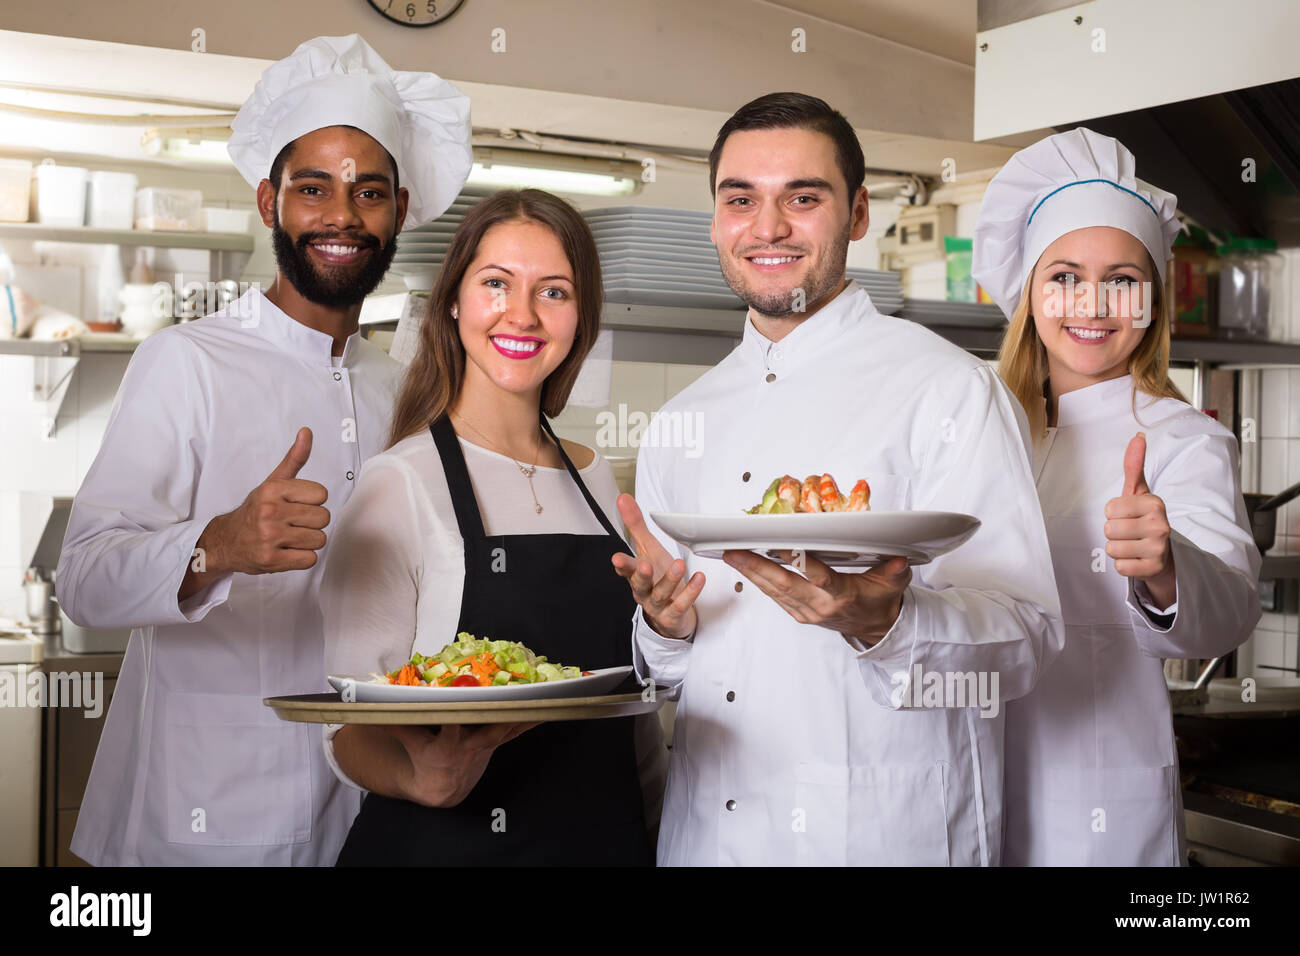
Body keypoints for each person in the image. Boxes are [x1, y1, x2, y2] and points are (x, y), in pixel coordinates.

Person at [612, 92, 1064, 866]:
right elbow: (677, 672)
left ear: (857, 213)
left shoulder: (947, 389)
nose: (768, 228)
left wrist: (881, 622)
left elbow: (1027, 636)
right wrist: (665, 626)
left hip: (883, 835)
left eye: (803, 197)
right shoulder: (683, 420)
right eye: (741, 199)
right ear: (716, 218)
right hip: (707, 836)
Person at [55, 34, 472, 865]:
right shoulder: (187, 361)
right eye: (312, 189)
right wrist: (219, 546)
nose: (342, 216)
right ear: (267, 202)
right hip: (200, 810)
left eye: (370, 192)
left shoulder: (402, 390)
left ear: (400, 210)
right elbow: (85, 582)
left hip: (361, 806)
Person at [322, 188, 666, 866]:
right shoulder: (402, 483)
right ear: (454, 301)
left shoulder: (602, 481)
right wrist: (419, 779)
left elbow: (635, 717)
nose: (524, 314)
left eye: (555, 292)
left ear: (580, 318)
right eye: (497, 283)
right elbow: (343, 727)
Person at [972, 127, 1262, 866]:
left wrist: (1168, 570)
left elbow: (1226, 613)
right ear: (1029, 292)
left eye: (1123, 278)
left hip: (1095, 811)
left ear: (1153, 299)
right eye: (1064, 274)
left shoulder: (1180, 438)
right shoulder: (977, 431)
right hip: (965, 788)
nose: (1092, 303)